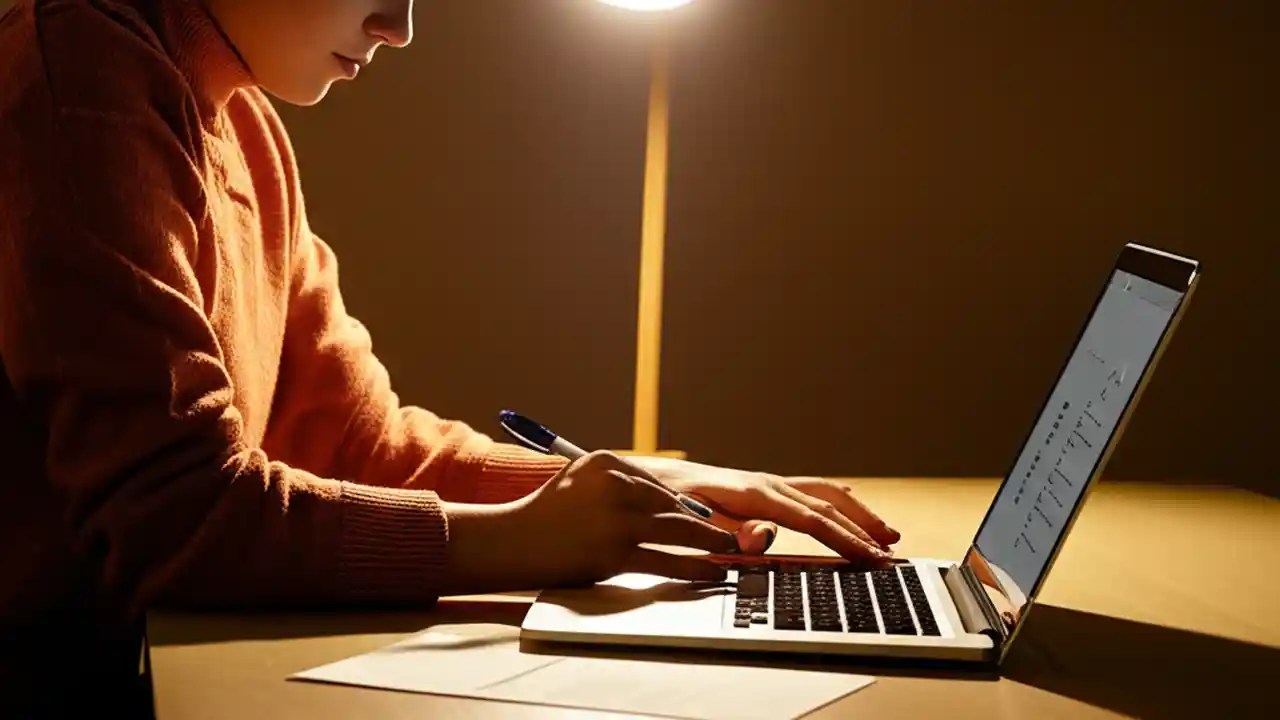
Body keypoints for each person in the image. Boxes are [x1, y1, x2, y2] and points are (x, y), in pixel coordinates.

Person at [0, 0, 899, 715]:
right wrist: (517, 541)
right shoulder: (78, 84)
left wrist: (629, 485)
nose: (399, 25)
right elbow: (171, 519)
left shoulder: (242, 125)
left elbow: (358, 443)